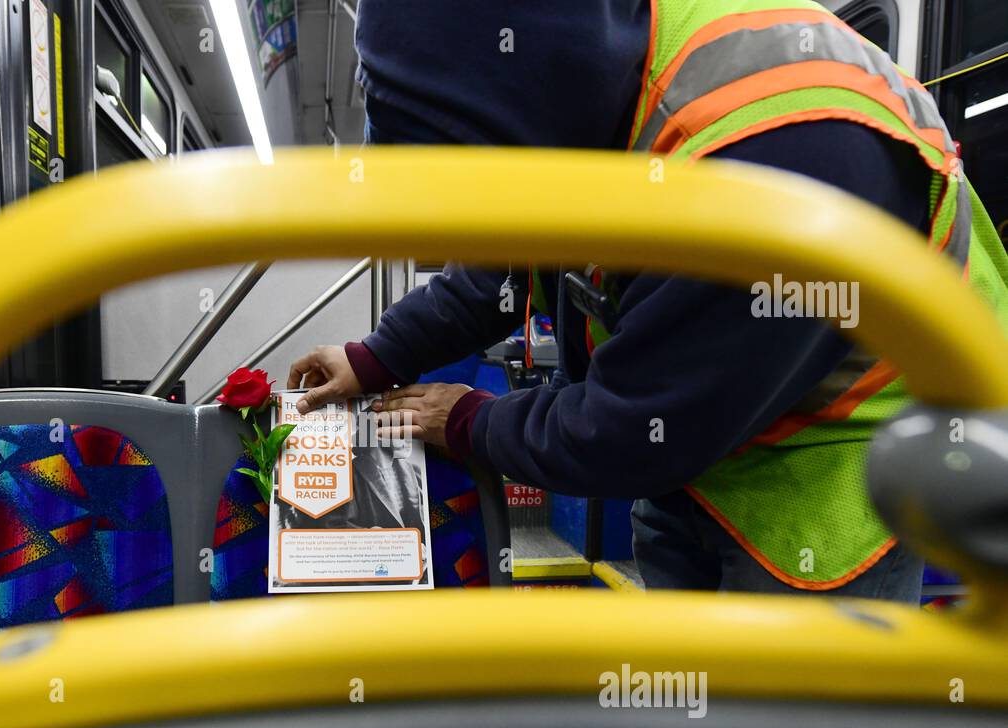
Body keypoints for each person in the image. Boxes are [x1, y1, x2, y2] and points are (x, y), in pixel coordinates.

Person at [287, 0, 1008, 602]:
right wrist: (375, 357)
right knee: (687, 711)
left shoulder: (767, 163)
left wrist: (468, 419)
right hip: (699, 445)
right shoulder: (578, 93)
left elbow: (633, 429)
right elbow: (509, 259)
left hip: (836, 468)